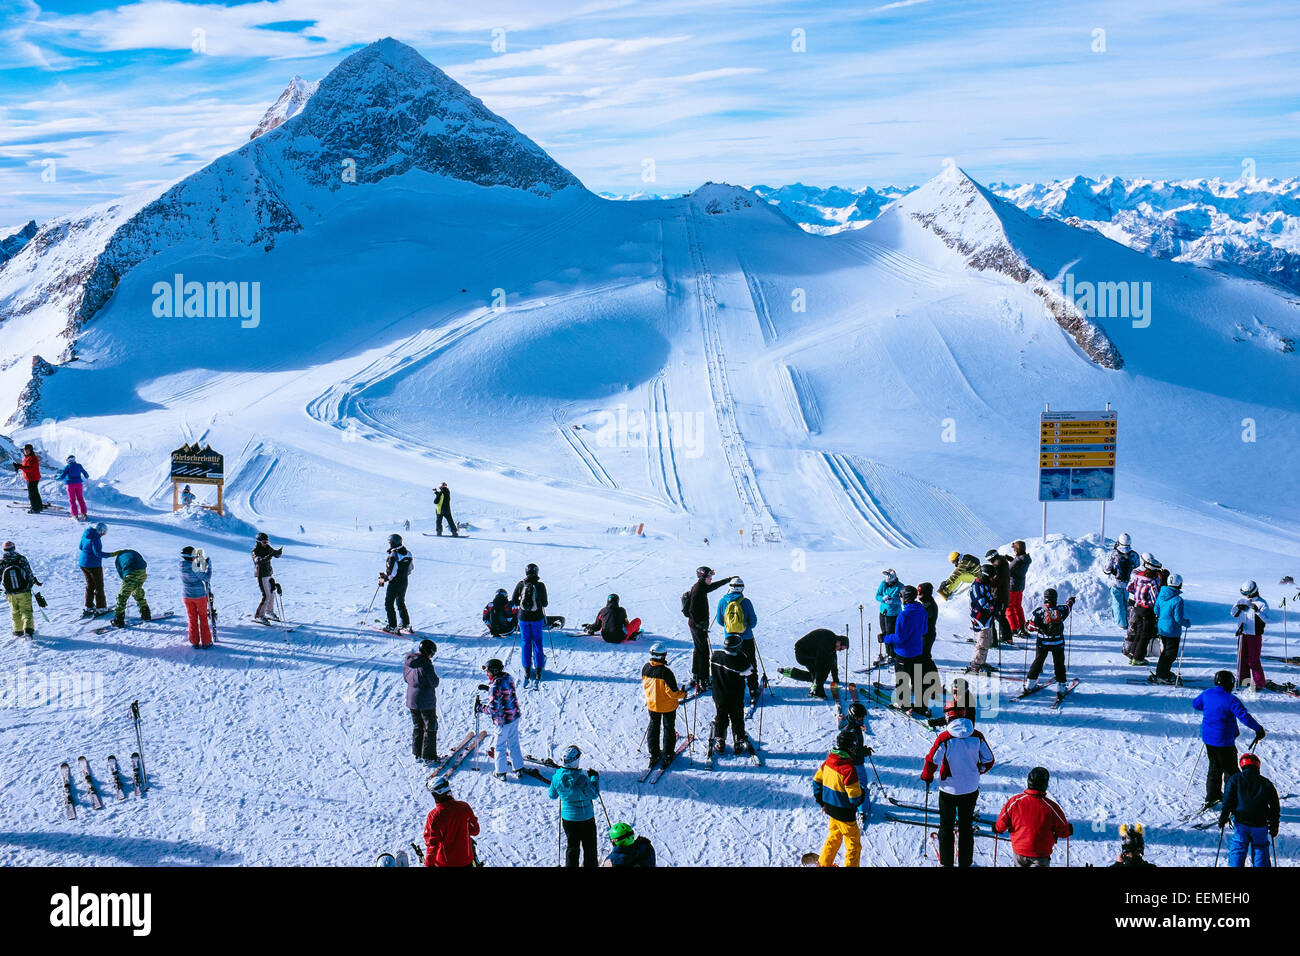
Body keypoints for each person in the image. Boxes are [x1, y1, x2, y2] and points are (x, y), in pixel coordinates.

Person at [921, 704, 995, 867]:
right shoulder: (977, 735)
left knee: (946, 826)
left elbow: (931, 760)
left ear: (948, 717)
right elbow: (989, 760)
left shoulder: (944, 738)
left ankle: (947, 863)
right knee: (966, 826)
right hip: (970, 789)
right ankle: (965, 862)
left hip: (948, 790)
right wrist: (977, 771)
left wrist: (927, 776)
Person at [1193, 671, 1265, 809]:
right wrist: (1258, 728)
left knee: (1214, 767)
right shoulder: (1231, 700)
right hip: (1224, 742)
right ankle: (1232, 799)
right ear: (1230, 684)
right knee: (1231, 771)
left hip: (1208, 739)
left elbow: (1196, 704)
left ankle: (1212, 796)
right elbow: (1244, 717)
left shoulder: (1207, 694)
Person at [993, 767, 1072, 866]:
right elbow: (1063, 832)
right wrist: (1068, 830)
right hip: (1041, 854)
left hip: (1019, 852)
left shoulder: (1014, 802)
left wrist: (997, 828)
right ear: (1045, 784)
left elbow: (1001, 824)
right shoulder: (1052, 807)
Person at [812, 731, 866, 867]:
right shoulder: (848, 769)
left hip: (830, 809)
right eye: (853, 746)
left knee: (834, 837)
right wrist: (862, 793)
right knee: (853, 845)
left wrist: (821, 802)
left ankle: (824, 864)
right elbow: (855, 798)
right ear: (850, 747)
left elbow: (816, 781)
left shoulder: (828, 762)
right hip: (845, 815)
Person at [1219, 752, 1280, 867]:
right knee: (1260, 847)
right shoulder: (1266, 783)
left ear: (1242, 765)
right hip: (1260, 823)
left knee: (1239, 846)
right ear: (1258, 766)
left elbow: (1227, 800)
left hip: (1242, 821)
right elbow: (1274, 805)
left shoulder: (1235, 779)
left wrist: (1224, 816)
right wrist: (1274, 823)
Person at [547, 745, 601, 867]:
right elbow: (593, 794)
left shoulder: (556, 777)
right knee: (590, 846)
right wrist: (594, 778)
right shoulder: (582, 778)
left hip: (568, 819)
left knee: (572, 846)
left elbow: (552, 795)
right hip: (586, 817)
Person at [683, 566, 735, 691]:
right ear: (702, 577)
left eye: (711, 577)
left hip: (696, 625)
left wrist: (728, 580)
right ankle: (704, 680)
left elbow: (713, 586)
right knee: (704, 652)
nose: (711, 579)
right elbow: (692, 610)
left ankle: (696, 675)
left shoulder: (701, 586)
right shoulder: (698, 589)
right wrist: (700, 625)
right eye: (709, 577)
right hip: (697, 626)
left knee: (698, 649)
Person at [478, 658, 525, 779]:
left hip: (502, 721)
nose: (487, 674)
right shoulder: (508, 677)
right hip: (514, 717)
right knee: (514, 743)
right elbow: (505, 692)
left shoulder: (495, 686)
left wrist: (480, 708)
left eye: (488, 671)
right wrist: (489, 689)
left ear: (494, 671)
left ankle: (501, 772)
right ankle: (518, 768)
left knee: (499, 746)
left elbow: (493, 709)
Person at [642, 643, 687, 768]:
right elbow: (672, 693)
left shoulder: (646, 668)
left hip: (652, 704)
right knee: (668, 728)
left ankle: (654, 753)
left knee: (653, 727)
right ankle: (667, 754)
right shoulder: (666, 672)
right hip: (667, 707)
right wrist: (682, 694)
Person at [716, 577, 759, 705]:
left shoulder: (723, 601)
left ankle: (734, 690)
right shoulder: (746, 602)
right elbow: (753, 622)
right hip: (746, 638)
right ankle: (753, 689)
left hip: (730, 639)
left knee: (732, 664)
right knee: (750, 662)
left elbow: (719, 621)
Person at [1024, 589, 1075, 698]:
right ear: (1056, 599)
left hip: (1043, 643)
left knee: (1038, 661)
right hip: (1058, 642)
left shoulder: (1038, 611)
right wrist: (1070, 601)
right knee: (1059, 664)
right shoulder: (1061, 610)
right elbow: (1068, 607)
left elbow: (1030, 627)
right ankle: (1061, 687)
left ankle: (1030, 684)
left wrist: (1027, 625)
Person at [710, 632, 754, 756]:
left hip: (719, 694)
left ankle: (720, 741)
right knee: (737, 718)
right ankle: (738, 741)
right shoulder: (740, 660)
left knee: (721, 716)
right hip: (735, 696)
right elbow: (750, 671)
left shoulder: (716, 656)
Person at [886, 586, 928, 714]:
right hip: (917, 651)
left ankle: (904, 705)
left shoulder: (903, 615)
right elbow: (925, 630)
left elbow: (900, 638)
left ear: (906, 598)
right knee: (918, 679)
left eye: (901, 596)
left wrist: (886, 638)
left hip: (903, 653)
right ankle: (921, 706)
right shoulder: (921, 610)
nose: (900, 599)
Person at [423, 777, 480, 867]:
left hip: (445, 863)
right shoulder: (464, 807)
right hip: (467, 861)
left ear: (435, 795)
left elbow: (432, 845)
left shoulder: (434, 816)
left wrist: (428, 864)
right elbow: (475, 830)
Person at [780, 628, 849, 699]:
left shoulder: (832, 643)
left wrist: (835, 678)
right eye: (840, 647)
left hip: (809, 655)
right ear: (839, 641)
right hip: (803, 655)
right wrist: (820, 683)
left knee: (817, 675)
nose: (839, 649)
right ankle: (816, 691)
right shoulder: (828, 641)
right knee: (822, 670)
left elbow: (833, 661)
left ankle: (790, 672)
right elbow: (821, 663)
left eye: (841, 649)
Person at [511, 563, 548, 684]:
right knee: (537, 642)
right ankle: (538, 669)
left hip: (523, 618)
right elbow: (545, 603)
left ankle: (526, 668)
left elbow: (514, 601)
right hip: (537, 618)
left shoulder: (521, 584)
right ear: (537, 572)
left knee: (525, 641)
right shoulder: (540, 585)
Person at [1123, 553, 1162, 664]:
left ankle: (1132, 654)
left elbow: (1129, 588)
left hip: (1137, 606)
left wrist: (1138, 594)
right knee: (1145, 635)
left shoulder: (1138, 575)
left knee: (1138, 632)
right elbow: (1155, 599)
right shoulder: (1152, 581)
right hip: (1147, 610)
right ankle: (1138, 658)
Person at [404, 639, 440, 762]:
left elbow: (406, 678)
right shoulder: (426, 664)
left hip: (412, 700)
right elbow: (434, 682)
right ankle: (429, 757)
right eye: (432, 654)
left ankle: (417, 754)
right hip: (425, 701)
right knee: (430, 726)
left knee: (418, 725)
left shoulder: (409, 662)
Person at [1152, 573, 1191, 683]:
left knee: (1165, 652)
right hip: (1173, 631)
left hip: (1162, 629)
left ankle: (1162, 672)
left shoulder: (1161, 595)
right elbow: (1178, 619)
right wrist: (1186, 623)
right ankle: (1163, 675)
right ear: (1179, 584)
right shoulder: (1178, 600)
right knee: (1170, 654)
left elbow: (1156, 610)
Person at [1232, 581, 1269, 691]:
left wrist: (1257, 611)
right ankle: (1244, 680)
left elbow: (1267, 619)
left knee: (1253, 659)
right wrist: (1238, 607)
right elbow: (1233, 613)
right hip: (1243, 634)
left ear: (1254, 592)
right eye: (1244, 594)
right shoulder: (1241, 600)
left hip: (1255, 635)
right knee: (1242, 658)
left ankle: (1259, 682)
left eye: (1248, 594)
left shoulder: (1262, 603)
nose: (1246, 596)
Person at [1, 541, 39, 638]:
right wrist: (31, 584)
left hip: (10, 593)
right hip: (24, 591)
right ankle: (28, 630)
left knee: (15, 611)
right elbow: (29, 572)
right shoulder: (21, 559)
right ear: (14, 548)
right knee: (26, 611)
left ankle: (18, 631)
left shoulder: (2, 562)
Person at [965, 564, 998, 673]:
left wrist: (996, 604)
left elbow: (989, 598)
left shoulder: (985, 584)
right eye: (991, 577)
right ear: (984, 576)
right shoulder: (977, 587)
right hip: (980, 618)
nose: (992, 579)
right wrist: (994, 608)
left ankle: (981, 661)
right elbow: (981, 604)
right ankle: (976, 664)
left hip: (987, 617)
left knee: (987, 640)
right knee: (983, 642)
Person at [179, 546, 213, 648]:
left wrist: (203, 564)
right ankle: (206, 642)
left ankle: (194, 641)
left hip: (186, 596)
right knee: (203, 617)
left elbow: (194, 568)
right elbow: (206, 578)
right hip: (199, 596)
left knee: (192, 618)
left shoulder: (181, 565)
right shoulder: (195, 567)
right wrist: (209, 567)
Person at [107, 546, 150, 628]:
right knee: (138, 591)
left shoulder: (119, 558)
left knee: (123, 596)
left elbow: (120, 572)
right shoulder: (133, 552)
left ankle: (118, 619)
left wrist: (126, 583)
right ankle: (146, 613)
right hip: (142, 572)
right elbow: (142, 561)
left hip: (130, 574)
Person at [379, 534, 413, 634]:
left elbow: (392, 573)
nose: (389, 544)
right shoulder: (408, 553)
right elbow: (410, 568)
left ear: (393, 543)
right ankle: (405, 624)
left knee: (389, 603)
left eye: (389, 542)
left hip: (395, 583)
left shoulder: (394, 555)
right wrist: (403, 575)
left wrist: (385, 578)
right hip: (404, 581)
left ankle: (392, 626)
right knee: (400, 602)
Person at [1103, 533, 1136, 629]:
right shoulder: (1134, 555)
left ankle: (1121, 624)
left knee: (1117, 604)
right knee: (1127, 603)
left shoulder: (1113, 553)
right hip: (1129, 584)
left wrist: (1111, 571)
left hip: (1116, 583)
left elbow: (1107, 570)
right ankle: (1129, 621)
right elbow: (1136, 569)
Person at [917, 582, 941, 708]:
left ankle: (932, 687)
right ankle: (933, 686)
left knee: (925, 660)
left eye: (920, 592)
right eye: (918, 592)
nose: (918, 595)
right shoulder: (925, 603)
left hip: (927, 636)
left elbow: (921, 621)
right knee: (925, 660)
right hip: (924, 636)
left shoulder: (929, 606)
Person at [78, 522, 109, 616]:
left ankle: (89, 605)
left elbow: (80, 547)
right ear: (101, 531)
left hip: (83, 564)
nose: (103, 535)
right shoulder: (95, 538)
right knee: (99, 586)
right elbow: (98, 553)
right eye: (103, 533)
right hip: (94, 566)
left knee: (90, 585)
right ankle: (101, 607)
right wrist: (111, 554)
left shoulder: (86, 534)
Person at [252, 532, 282, 623]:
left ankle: (269, 612)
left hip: (269, 574)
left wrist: (278, 553)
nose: (266, 544)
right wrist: (269, 556)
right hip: (261, 576)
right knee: (266, 595)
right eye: (264, 542)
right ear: (258, 542)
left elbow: (275, 554)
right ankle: (259, 616)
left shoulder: (267, 548)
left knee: (272, 594)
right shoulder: (255, 551)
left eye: (267, 542)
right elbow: (258, 561)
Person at [986, 549, 1013, 646]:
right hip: (1002, 595)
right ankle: (1006, 637)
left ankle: (1006, 637)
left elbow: (995, 582)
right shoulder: (1002, 563)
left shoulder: (999, 568)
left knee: (1000, 617)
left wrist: (988, 580)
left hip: (1000, 596)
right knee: (1000, 617)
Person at [1006, 540, 1031, 638]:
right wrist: (1011, 559)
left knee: (1009, 607)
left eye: (1014, 549)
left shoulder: (1017, 560)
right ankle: (1022, 627)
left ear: (1016, 550)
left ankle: (1014, 628)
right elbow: (1016, 564)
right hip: (1020, 586)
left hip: (1012, 587)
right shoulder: (1025, 559)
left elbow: (1008, 570)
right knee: (1018, 607)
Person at [875, 569, 903, 656]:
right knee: (884, 633)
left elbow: (902, 600)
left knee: (890, 634)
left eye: (889, 582)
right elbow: (877, 595)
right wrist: (882, 599)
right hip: (883, 612)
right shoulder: (883, 584)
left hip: (893, 614)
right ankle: (888, 652)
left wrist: (892, 601)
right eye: (887, 582)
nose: (888, 584)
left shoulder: (900, 587)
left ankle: (892, 653)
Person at [11, 443, 44, 513]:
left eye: (27, 450)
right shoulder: (27, 457)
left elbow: (30, 469)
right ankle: (39, 506)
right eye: (24, 450)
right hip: (31, 478)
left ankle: (35, 508)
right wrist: (18, 465)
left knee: (32, 494)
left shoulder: (32, 458)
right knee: (35, 493)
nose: (25, 451)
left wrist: (20, 467)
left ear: (31, 450)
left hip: (32, 478)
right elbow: (25, 466)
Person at [56, 455, 90, 519]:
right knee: (80, 498)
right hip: (79, 484)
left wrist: (56, 478)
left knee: (72, 500)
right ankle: (84, 513)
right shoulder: (79, 465)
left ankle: (75, 515)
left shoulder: (67, 467)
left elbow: (62, 476)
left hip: (70, 484)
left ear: (68, 460)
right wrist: (86, 476)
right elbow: (85, 473)